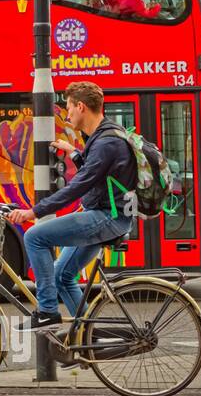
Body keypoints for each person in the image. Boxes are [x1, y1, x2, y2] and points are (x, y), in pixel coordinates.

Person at [7, 81, 137, 330]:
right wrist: (74, 153)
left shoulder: (105, 143)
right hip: (107, 214)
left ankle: (46, 311)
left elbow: (79, 186)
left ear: (81, 106)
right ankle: (89, 336)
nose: (67, 115)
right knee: (62, 276)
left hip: (106, 217)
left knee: (35, 236)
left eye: (68, 108)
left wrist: (33, 212)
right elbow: (96, 172)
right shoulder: (105, 135)